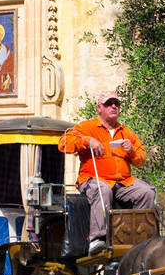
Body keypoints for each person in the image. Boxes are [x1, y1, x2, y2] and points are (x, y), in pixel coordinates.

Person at [58, 92, 156, 246]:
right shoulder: (87, 127)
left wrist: (131, 151)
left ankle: (140, 239)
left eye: (116, 103)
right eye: (109, 103)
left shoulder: (126, 132)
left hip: (123, 183)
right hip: (93, 180)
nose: (113, 106)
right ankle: (98, 239)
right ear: (99, 108)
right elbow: (64, 143)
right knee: (103, 189)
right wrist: (87, 140)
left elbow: (141, 160)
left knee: (147, 192)